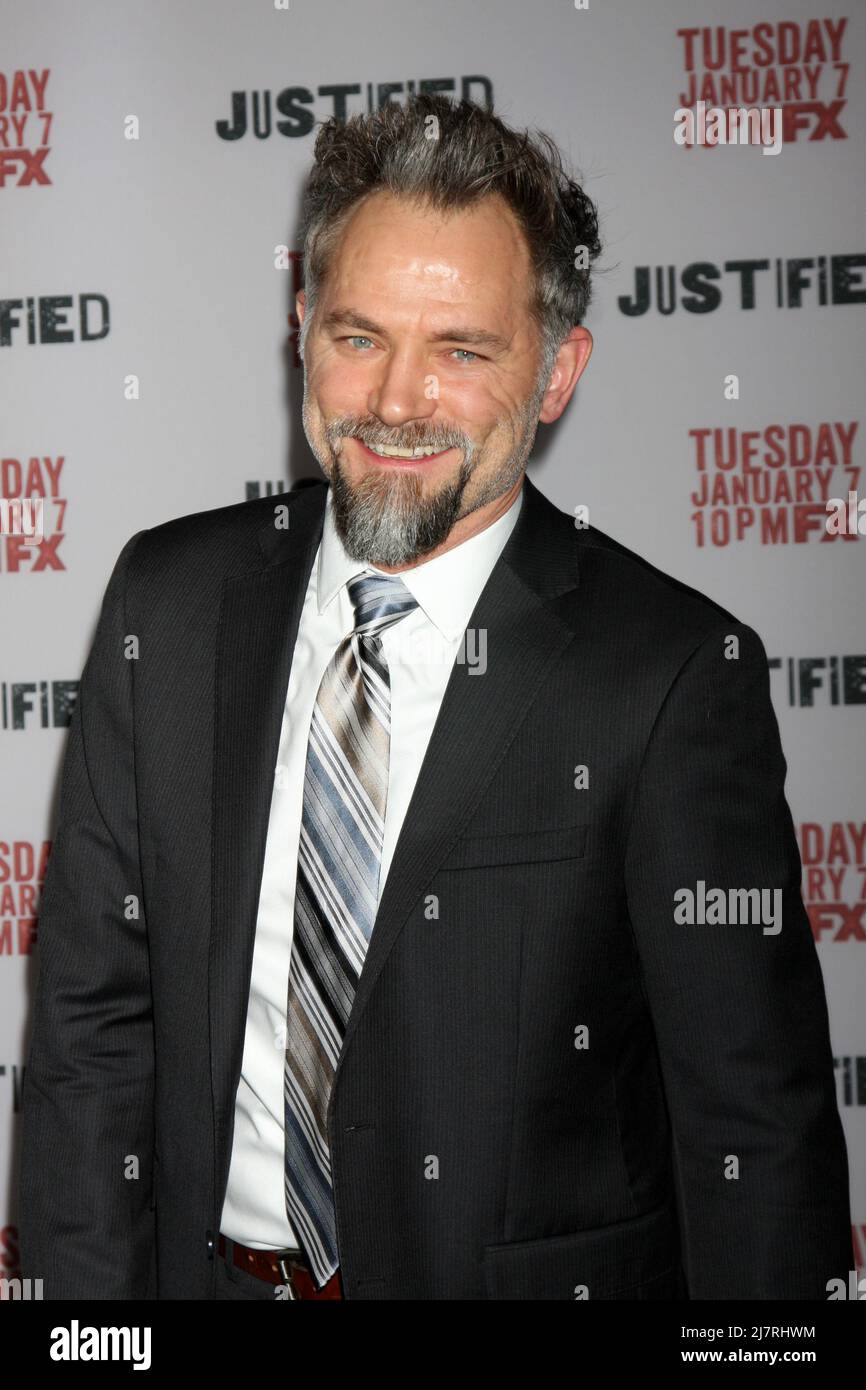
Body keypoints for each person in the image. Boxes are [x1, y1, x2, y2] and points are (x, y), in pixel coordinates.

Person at [19, 93, 853, 1301]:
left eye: (460, 351)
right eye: (358, 336)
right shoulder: (170, 601)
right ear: (301, 322)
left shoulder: (670, 675)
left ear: (556, 369)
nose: (394, 402)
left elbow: (751, 1131)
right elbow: (91, 1039)